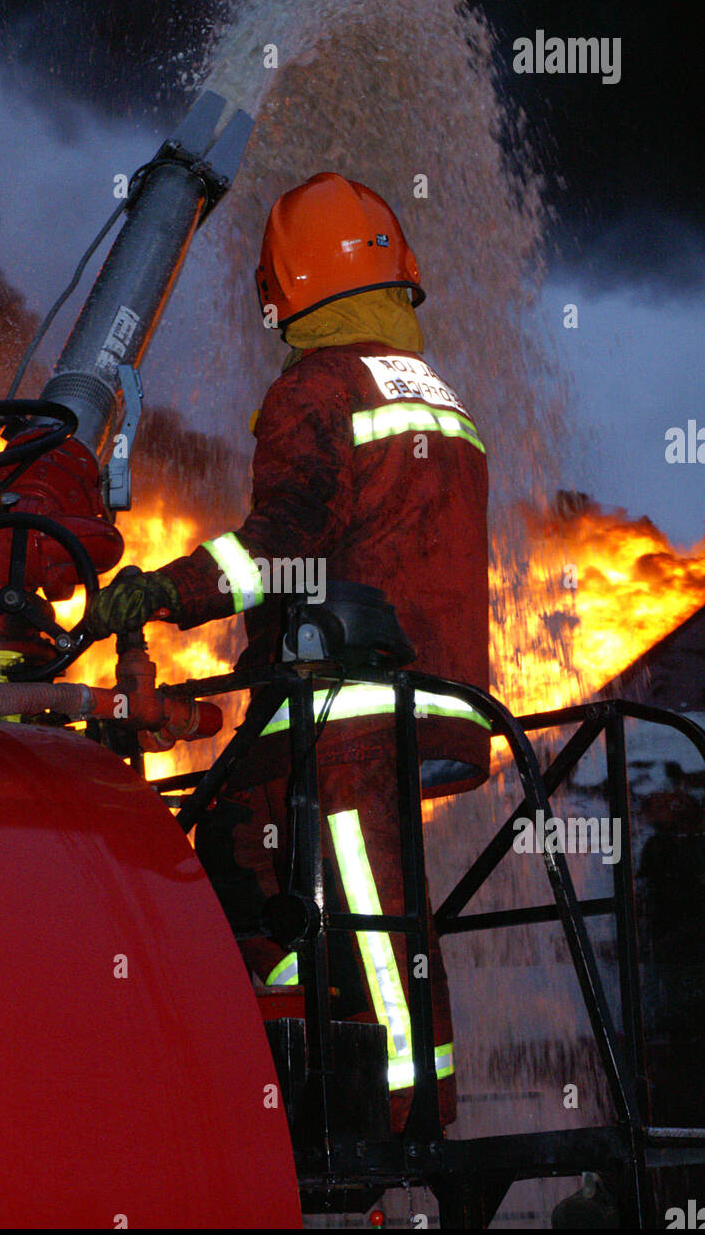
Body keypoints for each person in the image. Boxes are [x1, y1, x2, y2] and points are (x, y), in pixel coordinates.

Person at [88, 172, 490, 1132]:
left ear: (291, 287)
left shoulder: (315, 387)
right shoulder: (438, 397)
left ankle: (400, 1132)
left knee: (353, 913)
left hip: (342, 710)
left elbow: (285, 544)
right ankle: (313, 1056)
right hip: (433, 702)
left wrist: (166, 590)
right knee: (308, 886)